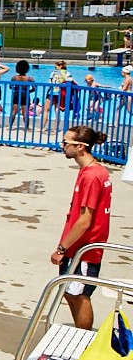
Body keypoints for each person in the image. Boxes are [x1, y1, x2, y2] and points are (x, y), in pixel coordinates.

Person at [50, 125, 113, 330]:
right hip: (80, 247)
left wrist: (62, 248)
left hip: (84, 250)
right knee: (70, 292)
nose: (62, 146)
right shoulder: (91, 172)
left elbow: (85, 220)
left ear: (80, 147)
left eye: (66, 143)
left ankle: (83, 339)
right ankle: (81, 334)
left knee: (79, 295)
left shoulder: (91, 176)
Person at [45, 60, 77, 131]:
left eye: (56, 66)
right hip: (61, 94)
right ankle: (56, 128)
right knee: (57, 111)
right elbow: (71, 81)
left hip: (52, 92)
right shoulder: (67, 73)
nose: (55, 67)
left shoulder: (53, 73)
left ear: (60, 66)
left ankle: (43, 127)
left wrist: (47, 92)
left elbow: (49, 84)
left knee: (46, 110)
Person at [7, 59, 35, 130]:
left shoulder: (14, 78)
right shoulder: (29, 78)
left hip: (16, 94)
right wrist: (29, 91)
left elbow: (10, 87)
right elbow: (34, 88)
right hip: (25, 94)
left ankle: (10, 126)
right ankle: (27, 128)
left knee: (14, 111)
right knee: (25, 112)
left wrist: (16, 90)